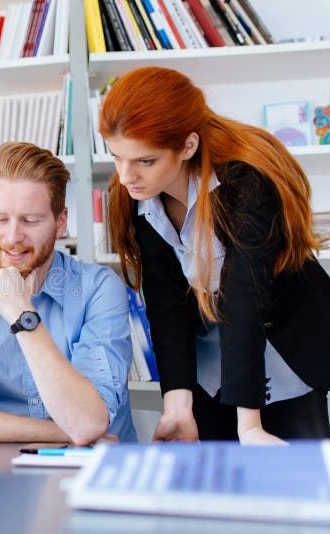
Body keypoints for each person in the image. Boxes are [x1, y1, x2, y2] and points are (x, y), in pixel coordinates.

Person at [100, 66, 330, 444]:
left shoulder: (246, 182)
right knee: (211, 482)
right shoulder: (138, 197)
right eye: (116, 157)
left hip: (284, 345)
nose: (126, 177)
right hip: (210, 360)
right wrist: (176, 406)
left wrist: (249, 426)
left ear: (187, 146)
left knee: (300, 483)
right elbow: (165, 301)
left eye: (145, 161)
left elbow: (245, 298)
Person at [0, 142, 137, 445]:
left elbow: (86, 422)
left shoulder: (99, 288)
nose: (13, 238)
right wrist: (60, 435)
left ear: (61, 222)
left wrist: (21, 314)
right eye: (0, 219)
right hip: (11, 465)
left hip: (98, 472)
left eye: (30, 220)